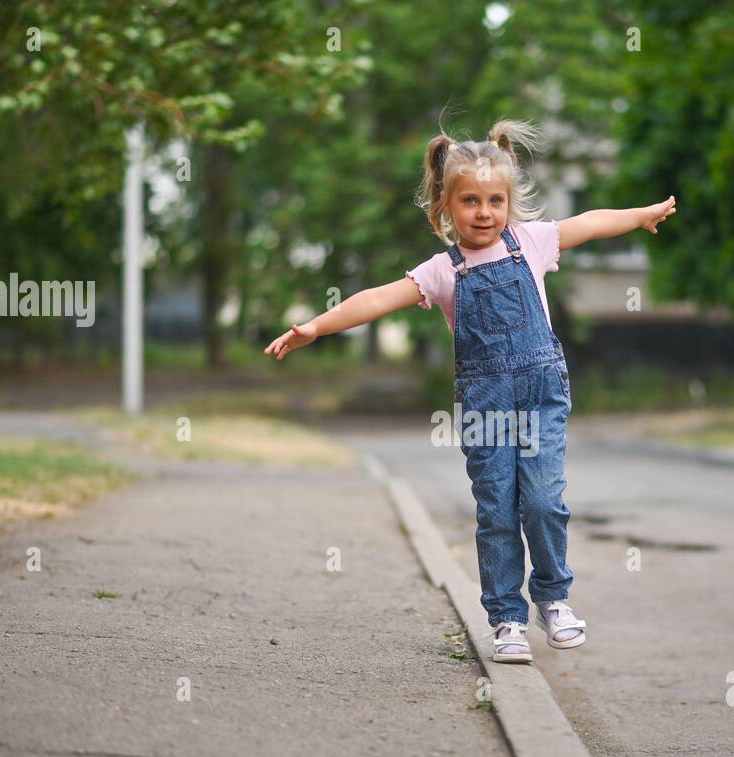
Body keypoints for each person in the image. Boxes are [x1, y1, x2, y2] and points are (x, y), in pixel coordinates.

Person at [264, 118, 675, 664]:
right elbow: (378, 298)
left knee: (544, 502)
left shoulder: (529, 243)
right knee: (497, 512)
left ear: (509, 202)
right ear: (445, 206)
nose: (484, 212)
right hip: (486, 407)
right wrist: (317, 325)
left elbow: (589, 223)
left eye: (495, 200)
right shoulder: (442, 270)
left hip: (540, 395)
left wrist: (640, 216)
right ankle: (507, 618)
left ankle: (554, 599)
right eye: (471, 201)